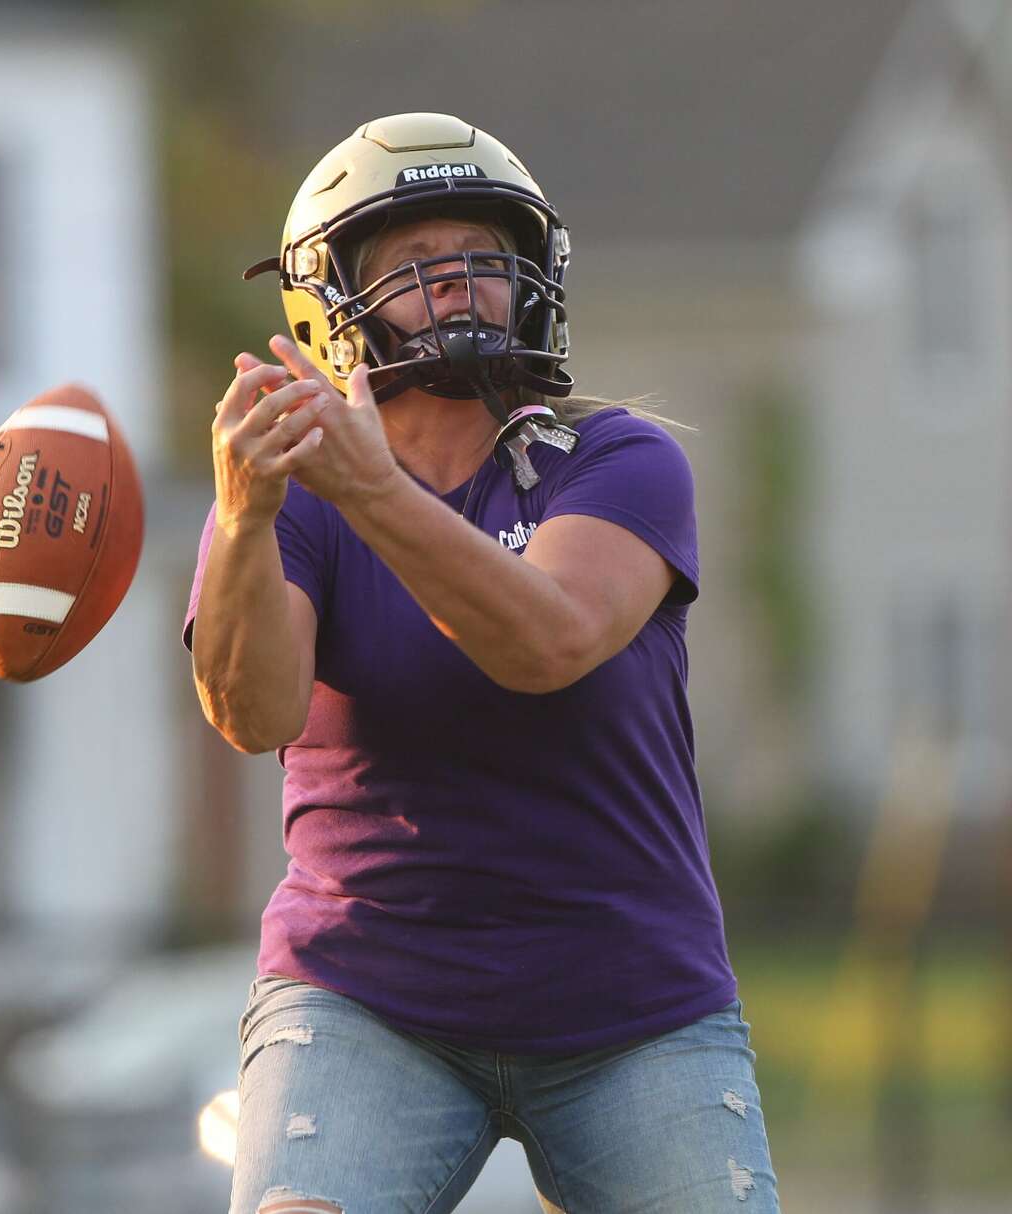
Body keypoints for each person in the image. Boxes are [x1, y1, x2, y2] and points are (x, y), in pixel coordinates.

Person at [185, 113, 780, 1214]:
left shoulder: (616, 455)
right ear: (330, 303)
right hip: (368, 990)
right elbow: (253, 708)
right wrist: (244, 517)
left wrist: (375, 492)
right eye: (414, 262)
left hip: (628, 999)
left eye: (483, 254)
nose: (459, 282)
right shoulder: (289, 495)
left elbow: (545, 640)